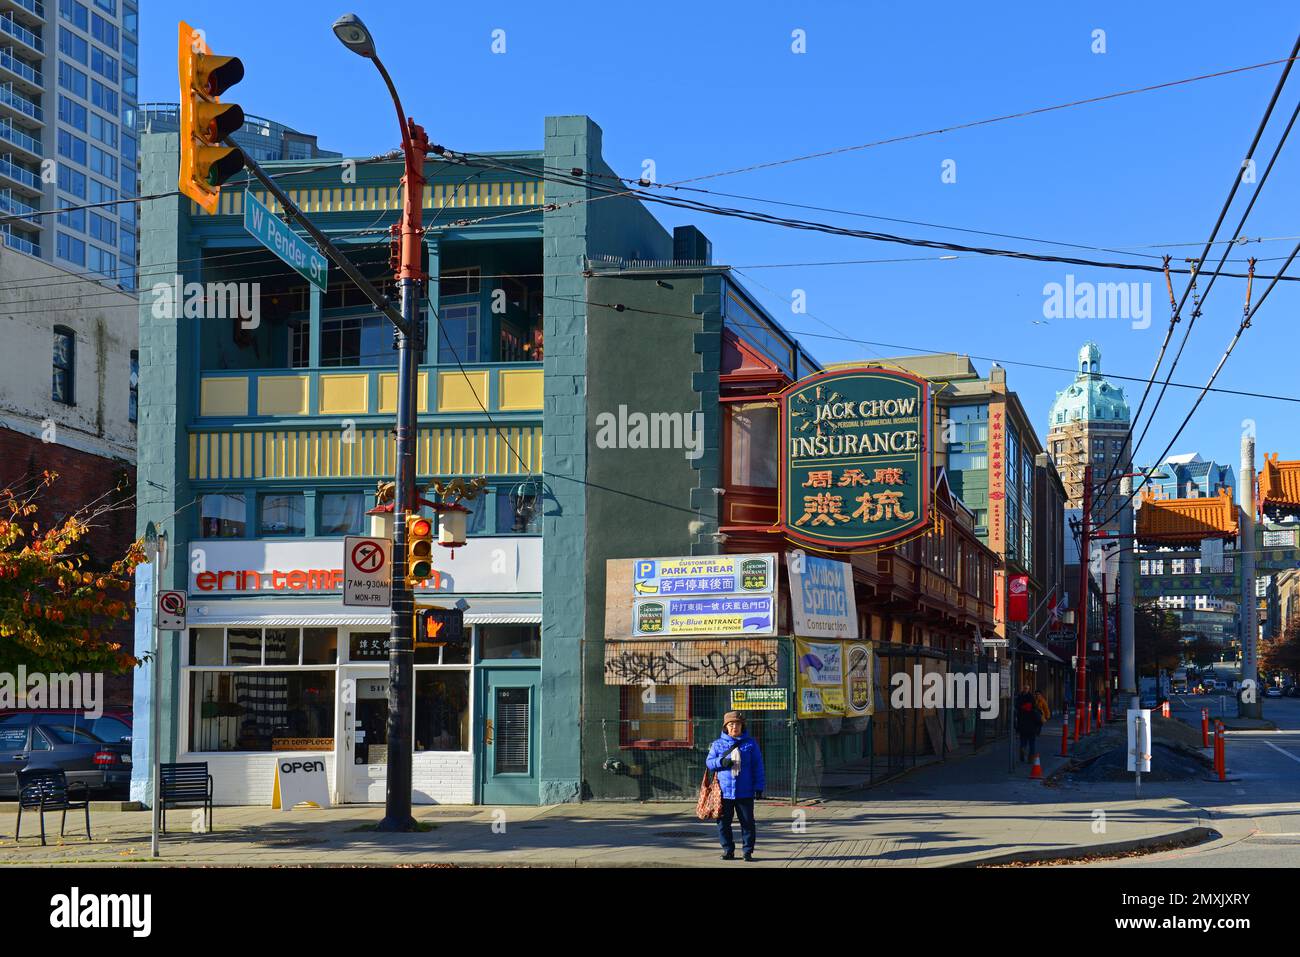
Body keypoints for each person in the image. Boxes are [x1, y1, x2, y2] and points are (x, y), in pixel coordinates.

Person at [705, 710, 766, 861]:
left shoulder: (751, 744)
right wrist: (721, 762)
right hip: (724, 793)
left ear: (742, 726)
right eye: (731, 724)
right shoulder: (718, 744)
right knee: (723, 824)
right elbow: (709, 763)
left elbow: (758, 766)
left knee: (748, 823)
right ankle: (728, 850)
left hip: (745, 792)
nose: (734, 727)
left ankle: (747, 851)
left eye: (738, 724)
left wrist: (759, 787)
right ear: (726, 727)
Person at [1013, 687, 1043, 763]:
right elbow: (1039, 720)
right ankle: (1031, 759)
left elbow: (1017, 720)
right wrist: (1038, 729)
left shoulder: (1020, 710)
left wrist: (1017, 728)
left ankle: (1023, 749)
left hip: (1023, 728)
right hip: (1032, 729)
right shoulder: (1033, 710)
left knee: (1023, 741)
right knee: (1032, 744)